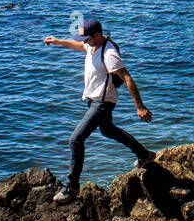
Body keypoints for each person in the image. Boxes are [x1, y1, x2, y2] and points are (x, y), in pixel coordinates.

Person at [44, 18, 154, 201]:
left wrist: (140, 106)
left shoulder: (109, 53)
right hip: (93, 99)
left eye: (87, 38)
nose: (84, 41)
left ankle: (71, 187)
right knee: (108, 130)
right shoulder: (92, 44)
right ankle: (144, 154)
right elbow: (78, 46)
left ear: (97, 35)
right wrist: (58, 41)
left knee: (76, 139)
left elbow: (127, 78)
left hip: (103, 102)